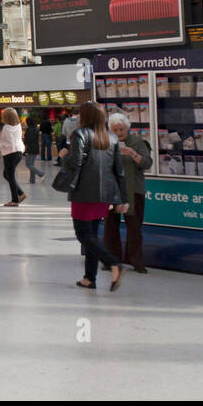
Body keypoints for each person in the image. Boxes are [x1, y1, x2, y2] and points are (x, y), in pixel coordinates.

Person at [62, 102, 127, 291]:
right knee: (92, 234)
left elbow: (75, 161)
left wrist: (64, 155)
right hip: (104, 194)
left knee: (83, 234)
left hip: (83, 192)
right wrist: (123, 198)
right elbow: (119, 171)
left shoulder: (80, 134)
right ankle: (89, 278)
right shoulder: (112, 138)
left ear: (86, 117)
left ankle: (114, 263)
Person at [104, 111, 153, 273]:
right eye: (115, 130)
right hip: (112, 190)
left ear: (127, 129)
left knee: (134, 227)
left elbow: (147, 163)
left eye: (121, 130)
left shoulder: (138, 142)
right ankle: (111, 260)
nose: (118, 133)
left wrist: (133, 154)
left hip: (134, 190)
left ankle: (136, 260)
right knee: (110, 226)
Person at [0, 108, 27, 206]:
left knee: (10, 176)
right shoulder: (18, 126)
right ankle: (20, 194)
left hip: (10, 154)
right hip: (18, 152)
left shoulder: (6, 128)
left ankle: (15, 200)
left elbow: (8, 143)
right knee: (7, 175)